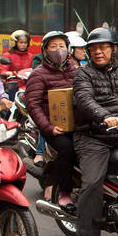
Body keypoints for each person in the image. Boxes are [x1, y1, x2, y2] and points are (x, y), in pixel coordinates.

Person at [71, 27, 118, 236]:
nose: (98, 52)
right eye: (94, 48)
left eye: (103, 47)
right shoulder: (83, 74)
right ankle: (85, 235)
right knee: (91, 182)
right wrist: (104, 117)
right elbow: (84, 100)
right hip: (92, 136)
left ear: (113, 49)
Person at [24, 30, 78, 210]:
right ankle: (64, 191)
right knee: (67, 148)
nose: (58, 50)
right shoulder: (38, 74)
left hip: (76, 124)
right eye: (53, 46)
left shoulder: (75, 70)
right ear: (45, 50)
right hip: (54, 128)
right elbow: (33, 104)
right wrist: (48, 127)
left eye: (61, 46)